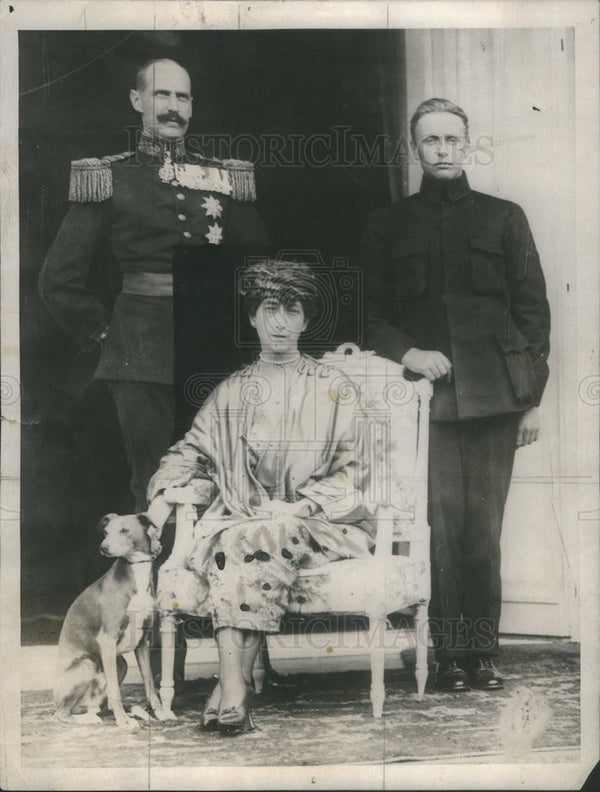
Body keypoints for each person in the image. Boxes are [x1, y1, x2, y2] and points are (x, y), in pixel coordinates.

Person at [38, 57, 270, 688]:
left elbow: (258, 268)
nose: (173, 106)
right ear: (136, 101)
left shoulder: (225, 178)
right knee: (159, 498)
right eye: (160, 94)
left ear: (193, 106)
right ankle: (165, 657)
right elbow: (58, 280)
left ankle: (247, 646)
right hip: (140, 356)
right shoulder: (107, 179)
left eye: (184, 96)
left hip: (216, 358)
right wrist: (108, 335)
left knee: (234, 491)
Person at [361, 98, 550, 692]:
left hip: (496, 400)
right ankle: (446, 653)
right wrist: (409, 354)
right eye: (430, 140)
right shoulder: (388, 224)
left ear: (467, 145)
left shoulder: (505, 218)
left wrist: (530, 399)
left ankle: (482, 652)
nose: (442, 149)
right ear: (413, 149)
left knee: (482, 531)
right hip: (427, 405)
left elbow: (533, 314)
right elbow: (365, 313)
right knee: (438, 529)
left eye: (452, 139)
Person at [145, 260, 376, 733]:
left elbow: (357, 469)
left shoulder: (336, 388)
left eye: (292, 310)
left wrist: (301, 505)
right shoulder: (231, 392)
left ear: (306, 319)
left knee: (252, 537)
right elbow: (190, 452)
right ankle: (236, 688)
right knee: (243, 539)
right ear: (252, 316)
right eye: (269, 309)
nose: (280, 322)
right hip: (245, 524)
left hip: (321, 526)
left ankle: (228, 688)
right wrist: (164, 497)